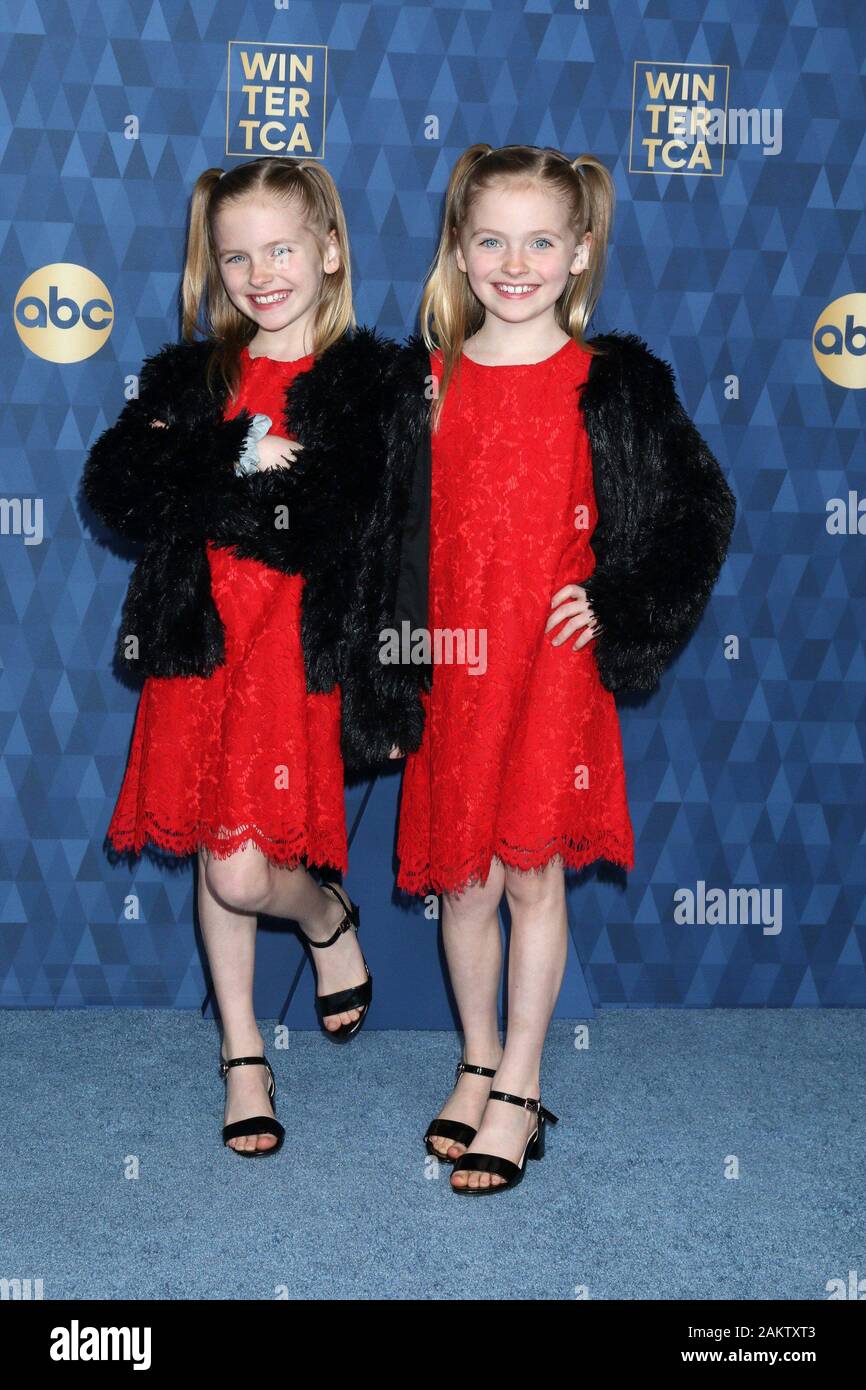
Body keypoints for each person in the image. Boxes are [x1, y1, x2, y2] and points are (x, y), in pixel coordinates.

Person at [382, 144, 737, 1193]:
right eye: (489, 238)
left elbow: (698, 508)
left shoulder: (609, 383)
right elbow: (381, 535)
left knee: (530, 872)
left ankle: (523, 1085)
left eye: (541, 239)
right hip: (451, 666)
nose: (514, 260)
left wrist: (620, 603)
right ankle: (476, 1058)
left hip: (549, 668)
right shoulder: (424, 382)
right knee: (462, 880)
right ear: (456, 246)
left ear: (580, 252)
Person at [82, 156, 426, 1158]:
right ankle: (242, 1054)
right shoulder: (194, 377)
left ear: (327, 248)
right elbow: (116, 483)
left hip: (292, 650)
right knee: (208, 840)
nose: (260, 273)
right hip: (198, 640)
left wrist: (194, 470)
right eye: (236, 256)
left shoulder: (374, 379)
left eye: (281, 248)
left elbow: (321, 520)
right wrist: (236, 449)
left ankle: (323, 913)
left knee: (241, 869)